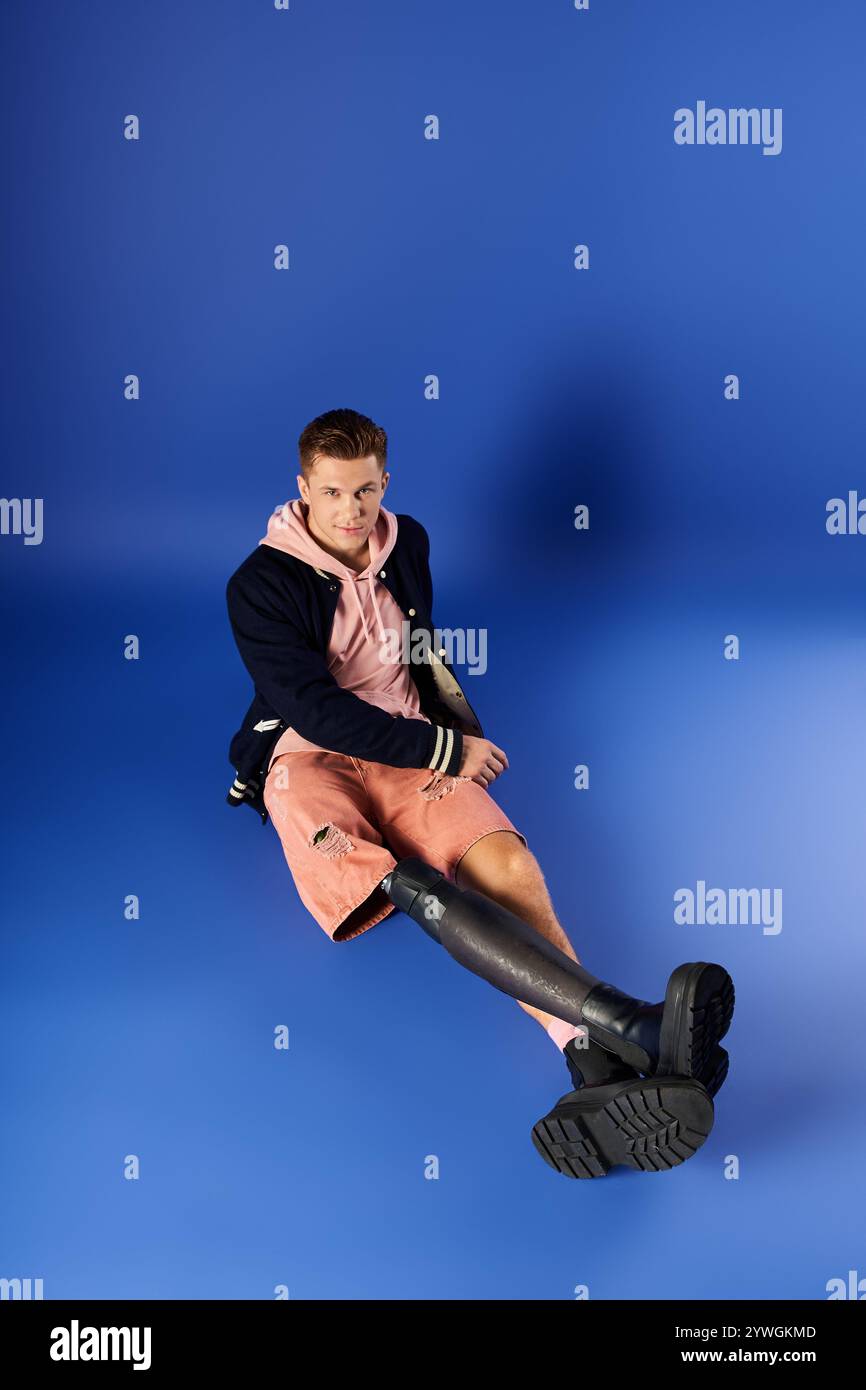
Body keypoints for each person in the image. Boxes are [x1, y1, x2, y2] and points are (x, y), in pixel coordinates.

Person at [226, 408, 734, 1179]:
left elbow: (416, 635)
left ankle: (593, 1067)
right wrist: (445, 747)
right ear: (303, 489)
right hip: (307, 762)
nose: (351, 511)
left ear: (384, 483)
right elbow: (309, 707)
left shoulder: (409, 542)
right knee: (411, 884)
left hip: (404, 742)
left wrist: (445, 713)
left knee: (511, 872)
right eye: (332, 493)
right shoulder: (260, 583)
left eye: (365, 492)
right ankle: (634, 1022)